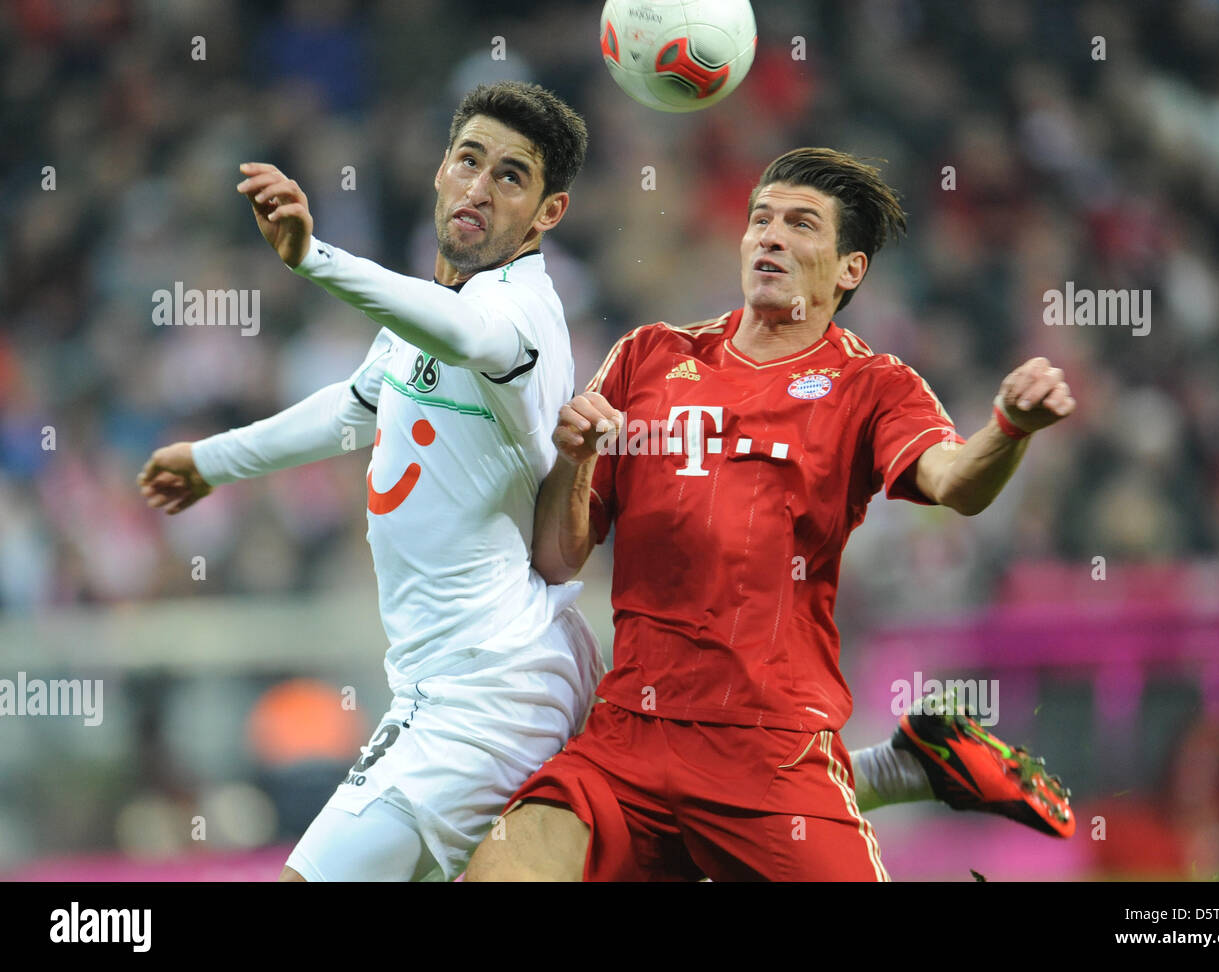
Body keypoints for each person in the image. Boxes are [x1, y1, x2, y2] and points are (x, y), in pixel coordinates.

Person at [466, 147, 1077, 882]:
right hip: (627, 740)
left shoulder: (871, 385)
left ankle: (897, 765)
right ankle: (898, 765)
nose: (770, 237)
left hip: (770, 750)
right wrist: (575, 459)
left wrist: (1008, 427)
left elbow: (956, 485)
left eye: (800, 224)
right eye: (761, 220)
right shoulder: (649, 358)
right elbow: (557, 560)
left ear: (850, 269)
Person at [138, 80, 603, 882]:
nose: (478, 189)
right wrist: (212, 462)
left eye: (511, 177)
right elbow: (349, 410)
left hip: (489, 690)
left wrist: (311, 259)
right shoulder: (430, 311)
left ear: (546, 214)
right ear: (438, 170)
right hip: (463, 684)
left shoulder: (517, 311)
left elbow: (460, 332)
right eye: (468, 161)